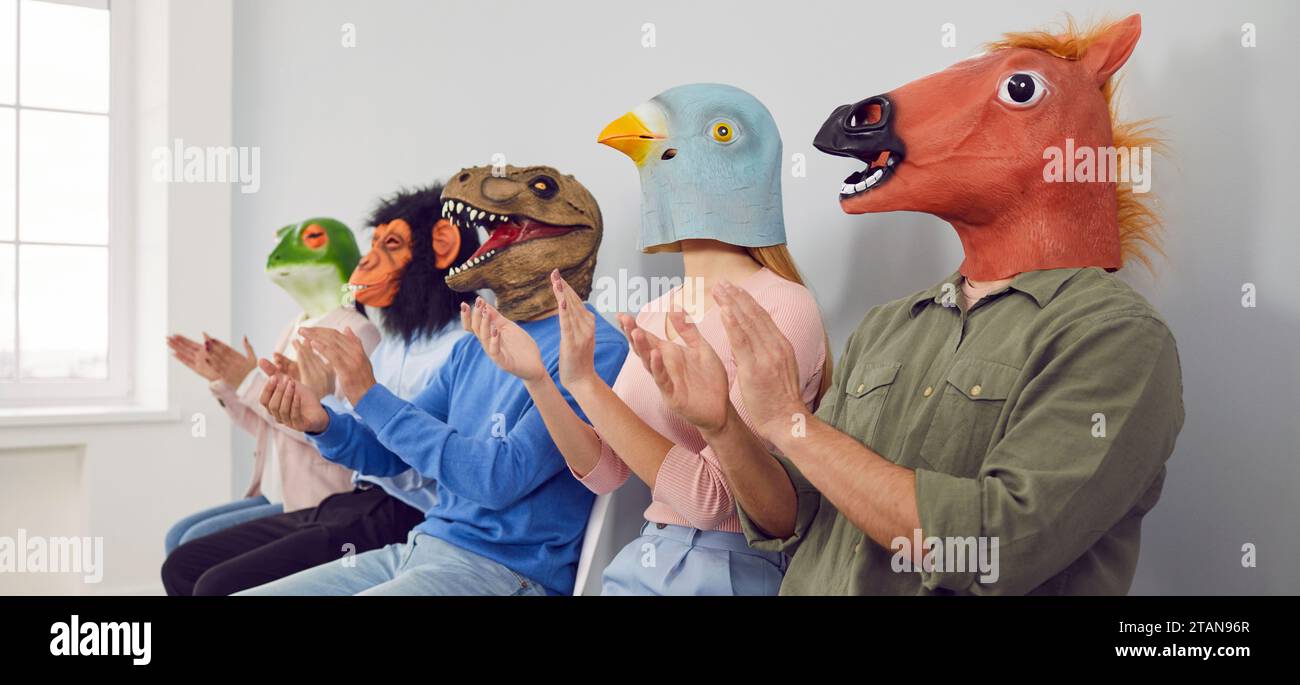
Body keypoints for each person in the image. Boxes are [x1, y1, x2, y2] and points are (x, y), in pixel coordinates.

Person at [640, 16, 1184, 595]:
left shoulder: (1116, 337)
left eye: (1018, 90)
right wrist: (724, 426)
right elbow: (791, 519)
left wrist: (787, 423)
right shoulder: (888, 325)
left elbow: (990, 548)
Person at [469, 84, 831, 595]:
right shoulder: (658, 310)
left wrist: (588, 386)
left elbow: (711, 499)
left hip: (726, 569)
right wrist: (543, 381)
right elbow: (606, 471)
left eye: (720, 134)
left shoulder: (783, 306)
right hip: (644, 557)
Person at [242, 164, 628, 596]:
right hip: (421, 547)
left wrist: (368, 394)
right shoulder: (474, 344)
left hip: (506, 573)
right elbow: (390, 454)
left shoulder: (594, 348)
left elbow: (497, 479)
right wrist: (323, 423)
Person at [161, 185, 477, 595]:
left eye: (392, 244)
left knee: (213, 582)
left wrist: (322, 400)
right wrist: (312, 404)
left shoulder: (460, 345)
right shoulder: (396, 341)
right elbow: (368, 441)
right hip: (356, 498)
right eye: (374, 243)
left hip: (401, 511)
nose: (367, 260)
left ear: (442, 246)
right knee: (186, 562)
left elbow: (421, 462)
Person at [164, 218, 379, 554]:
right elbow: (269, 425)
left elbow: (332, 431)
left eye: (311, 238)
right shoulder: (294, 327)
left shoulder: (357, 332)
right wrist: (226, 383)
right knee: (178, 535)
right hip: (276, 489)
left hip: (315, 500)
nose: (279, 252)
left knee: (189, 544)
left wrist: (249, 381)